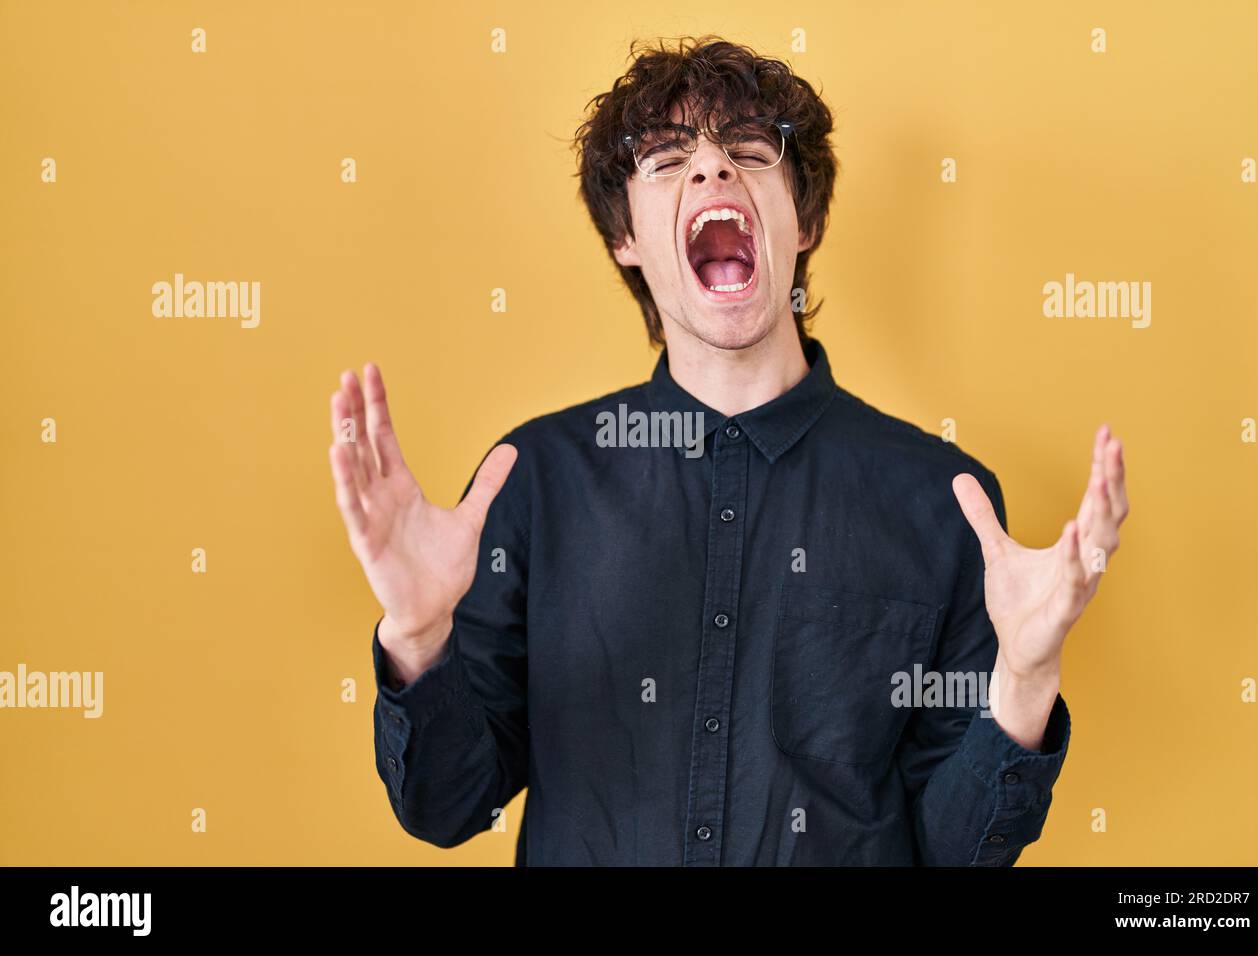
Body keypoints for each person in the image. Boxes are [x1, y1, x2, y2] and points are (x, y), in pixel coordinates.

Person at [327, 36, 1128, 865]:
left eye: (749, 151)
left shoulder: (945, 502)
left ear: (805, 221)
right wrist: (420, 639)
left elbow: (953, 849)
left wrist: (1025, 682)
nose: (712, 172)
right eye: (668, 160)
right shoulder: (534, 484)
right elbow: (447, 806)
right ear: (624, 239)